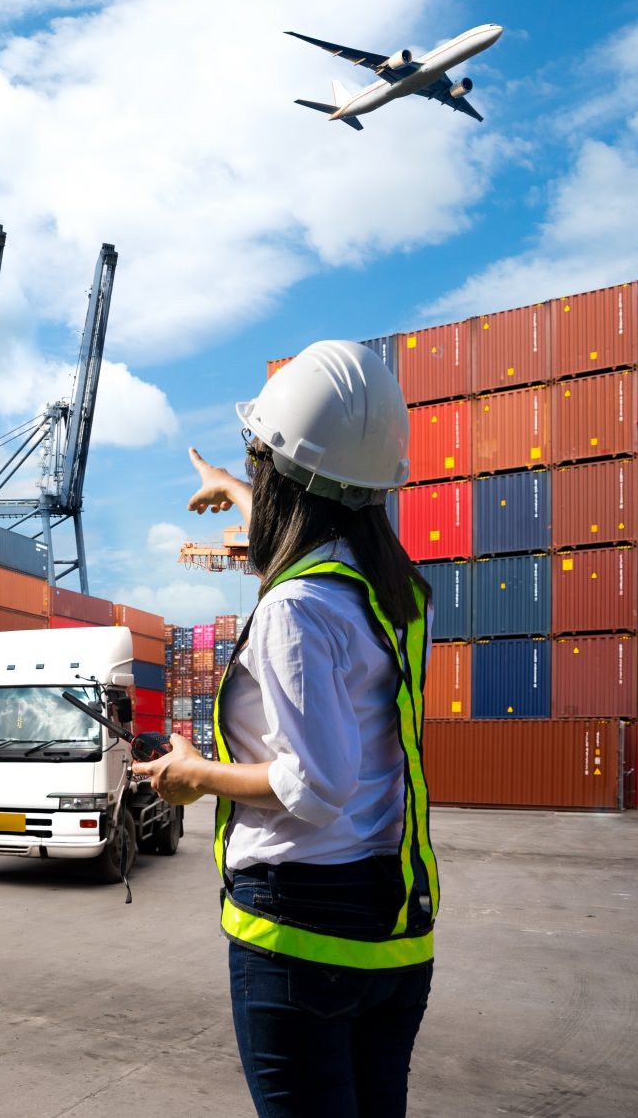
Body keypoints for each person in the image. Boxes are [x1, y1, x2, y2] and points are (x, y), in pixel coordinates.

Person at [132, 340, 436, 1118]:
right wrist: (232, 488)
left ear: (284, 476)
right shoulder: (388, 591)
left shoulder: (294, 611)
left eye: (258, 458)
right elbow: (308, 538)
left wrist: (194, 773)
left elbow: (316, 785)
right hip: (390, 931)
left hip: (302, 944)